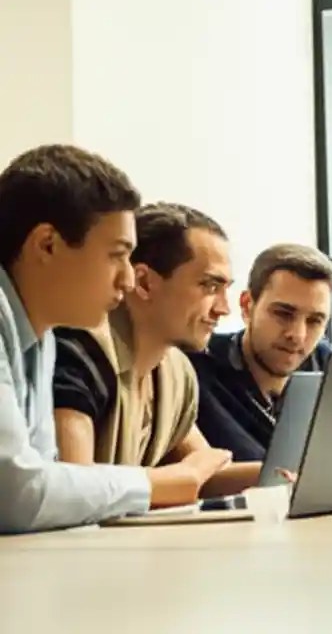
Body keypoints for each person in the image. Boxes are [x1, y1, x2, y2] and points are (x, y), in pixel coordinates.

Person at [0, 145, 228, 533]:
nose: (126, 279)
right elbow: (15, 494)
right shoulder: (75, 350)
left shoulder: (42, 341)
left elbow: (48, 488)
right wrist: (154, 484)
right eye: (116, 255)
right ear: (47, 245)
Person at [52, 202, 258, 497]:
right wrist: (184, 476)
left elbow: (205, 474)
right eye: (210, 287)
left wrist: (289, 476)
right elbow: (74, 490)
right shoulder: (78, 353)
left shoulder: (175, 370)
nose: (223, 309)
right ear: (145, 282)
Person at [187, 243, 332, 461]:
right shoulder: (194, 369)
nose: (298, 335)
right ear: (247, 306)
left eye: (314, 321)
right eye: (284, 314)